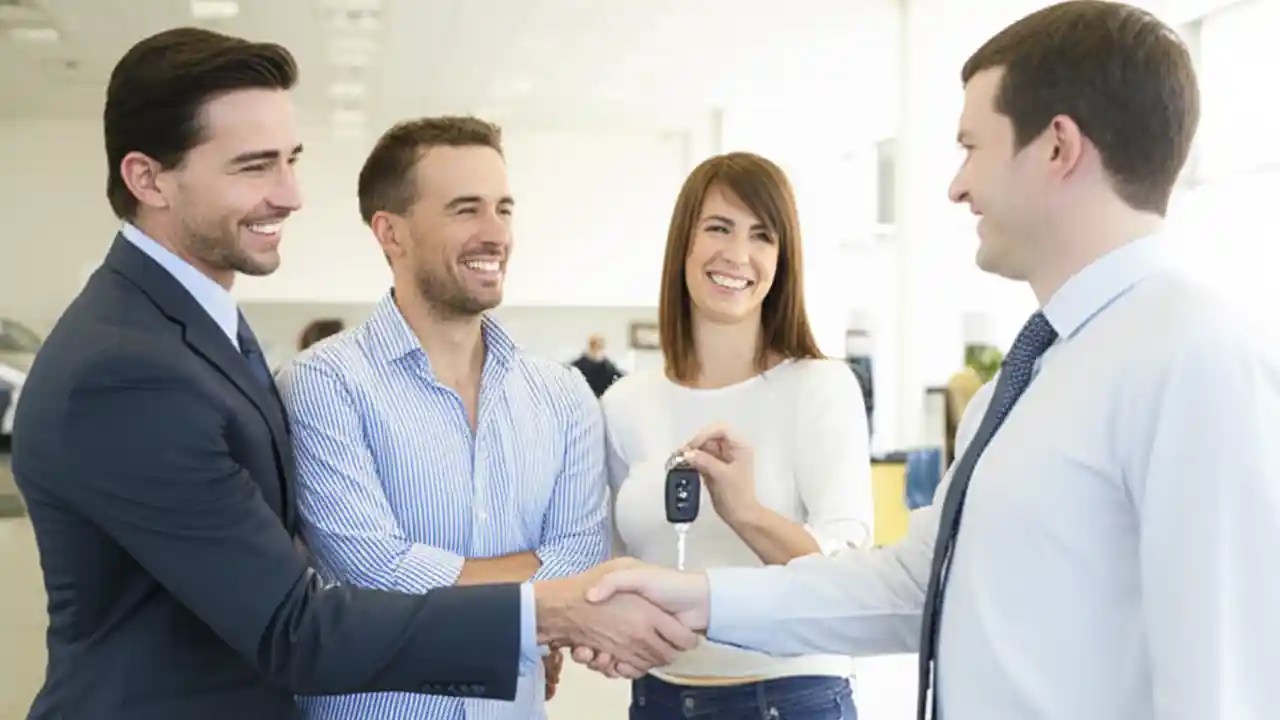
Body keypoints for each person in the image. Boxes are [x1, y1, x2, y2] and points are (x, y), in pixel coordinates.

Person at [580, 3, 1280, 719]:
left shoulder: (1199, 358)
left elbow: (1229, 687)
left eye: (972, 147)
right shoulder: (1035, 374)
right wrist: (693, 596)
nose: (956, 185)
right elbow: (914, 587)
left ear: (1057, 148)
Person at [10, 27, 694, 720]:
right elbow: (296, 625)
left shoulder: (194, 328)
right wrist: (548, 610)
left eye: (291, 160)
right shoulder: (127, 368)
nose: (291, 195)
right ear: (147, 178)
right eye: (254, 166)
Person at [277, 116, 611, 720]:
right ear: (391, 234)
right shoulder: (323, 384)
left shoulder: (563, 396)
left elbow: (582, 558)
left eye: (504, 209)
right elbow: (375, 572)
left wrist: (464, 588)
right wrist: (537, 594)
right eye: (465, 210)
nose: (495, 233)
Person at [596, 152, 874, 719]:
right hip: (662, 698)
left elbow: (846, 581)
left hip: (792, 697)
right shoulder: (624, 403)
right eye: (718, 228)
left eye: (761, 236)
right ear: (685, 246)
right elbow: (611, 563)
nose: (738, 255)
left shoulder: (820, 387)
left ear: (782, 259)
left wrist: (745, 511)